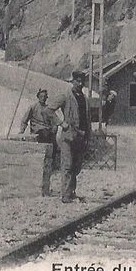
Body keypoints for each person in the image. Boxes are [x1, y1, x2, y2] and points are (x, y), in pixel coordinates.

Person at [55, 70, 91, 203]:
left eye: (82, 82)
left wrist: (88, 136)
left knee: (76, 167)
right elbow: (49, 110)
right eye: (78, 81)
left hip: (80, 137)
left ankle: (71, 192)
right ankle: (65, 194)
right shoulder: (65, 95)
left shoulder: (84, 98)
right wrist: (61, 123)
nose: (80, 84)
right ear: (73, 81)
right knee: (67, 165)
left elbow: (87, 119)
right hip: (68, 137)